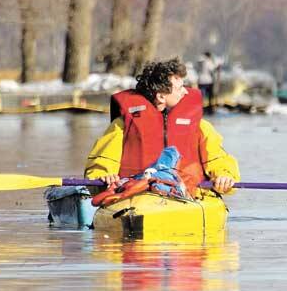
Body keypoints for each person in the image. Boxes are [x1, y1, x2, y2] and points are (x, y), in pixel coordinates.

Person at [85, 58, 240, 199]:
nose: (185, 91)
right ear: (161, 96)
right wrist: (104, 176)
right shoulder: (123, 125)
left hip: (189, 196)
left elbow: (219, 160)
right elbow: (100, 166)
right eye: (179, 88)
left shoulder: (200, 126)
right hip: (136, 196)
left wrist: (224, 176)